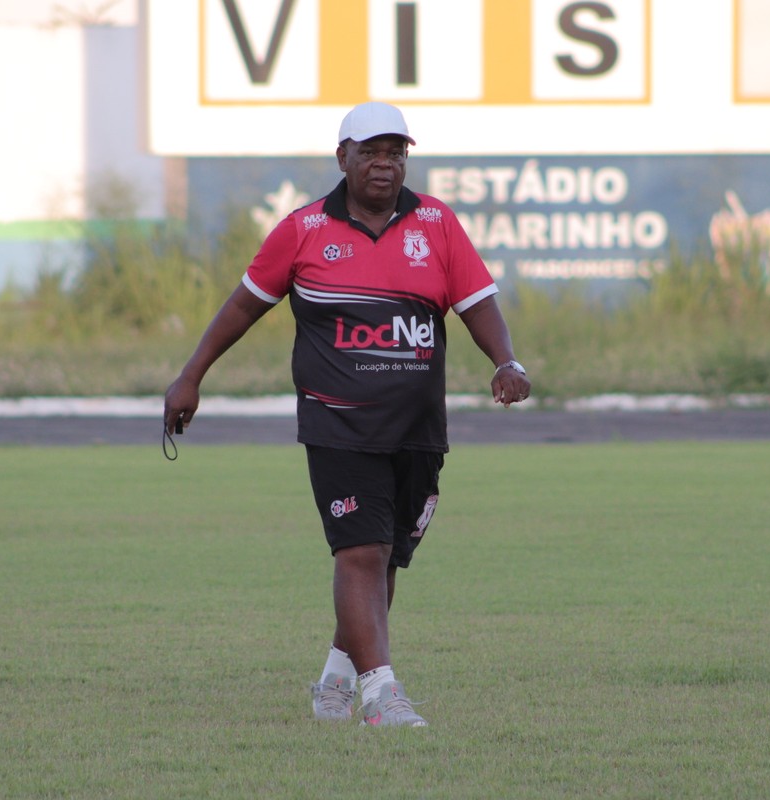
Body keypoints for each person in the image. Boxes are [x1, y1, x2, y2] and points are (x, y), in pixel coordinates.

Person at [163, 101, 531, 727]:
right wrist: (191, 376)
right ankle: (382, 697)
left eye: (396, 153)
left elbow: (476, 300)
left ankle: (336, 678)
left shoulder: (436, 223)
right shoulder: (303, 230)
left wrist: (506, 361)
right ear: (343, 158)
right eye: (371, 152)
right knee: (360, 553)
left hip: (417, 428)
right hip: (337, 423)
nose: (385, 164)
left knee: (385, 559)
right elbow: (243, 306)